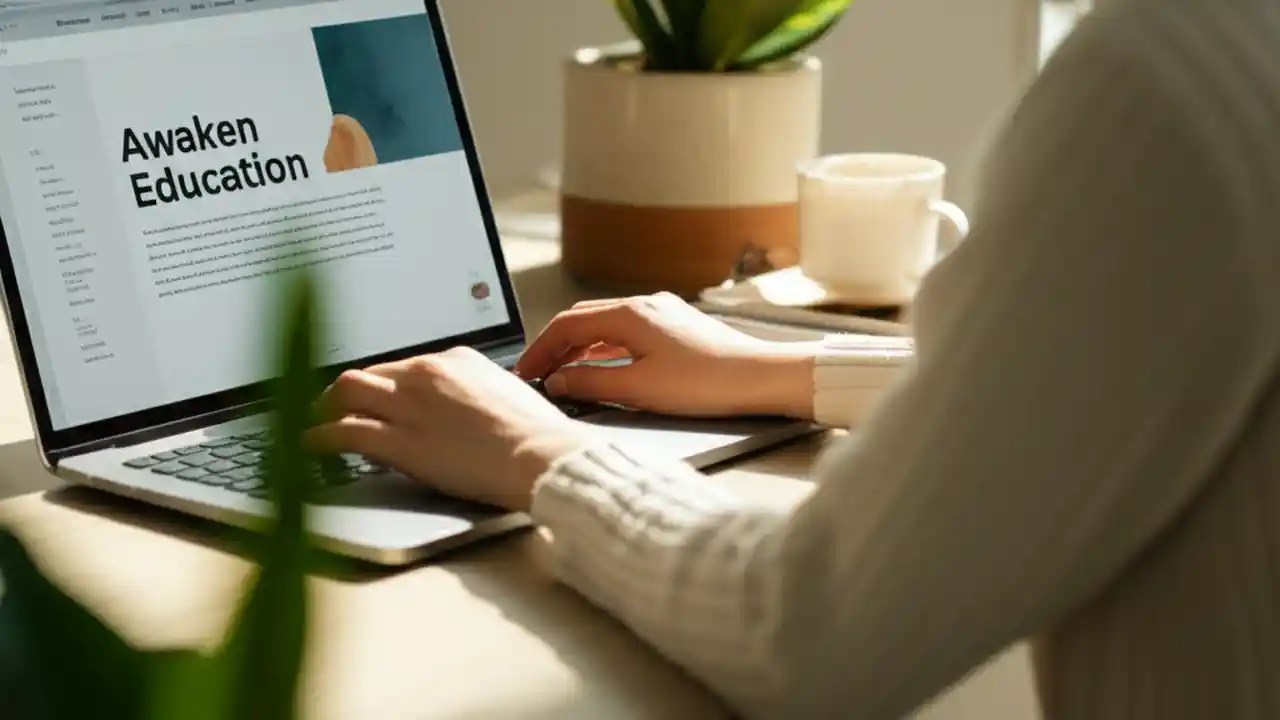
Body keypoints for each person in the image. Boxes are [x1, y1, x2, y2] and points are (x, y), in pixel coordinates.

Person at [309, 0, 1280, 717]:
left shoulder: (1168, 72)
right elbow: (1112, 367)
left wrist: (539, 450)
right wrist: (774, 369)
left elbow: (815, 632)